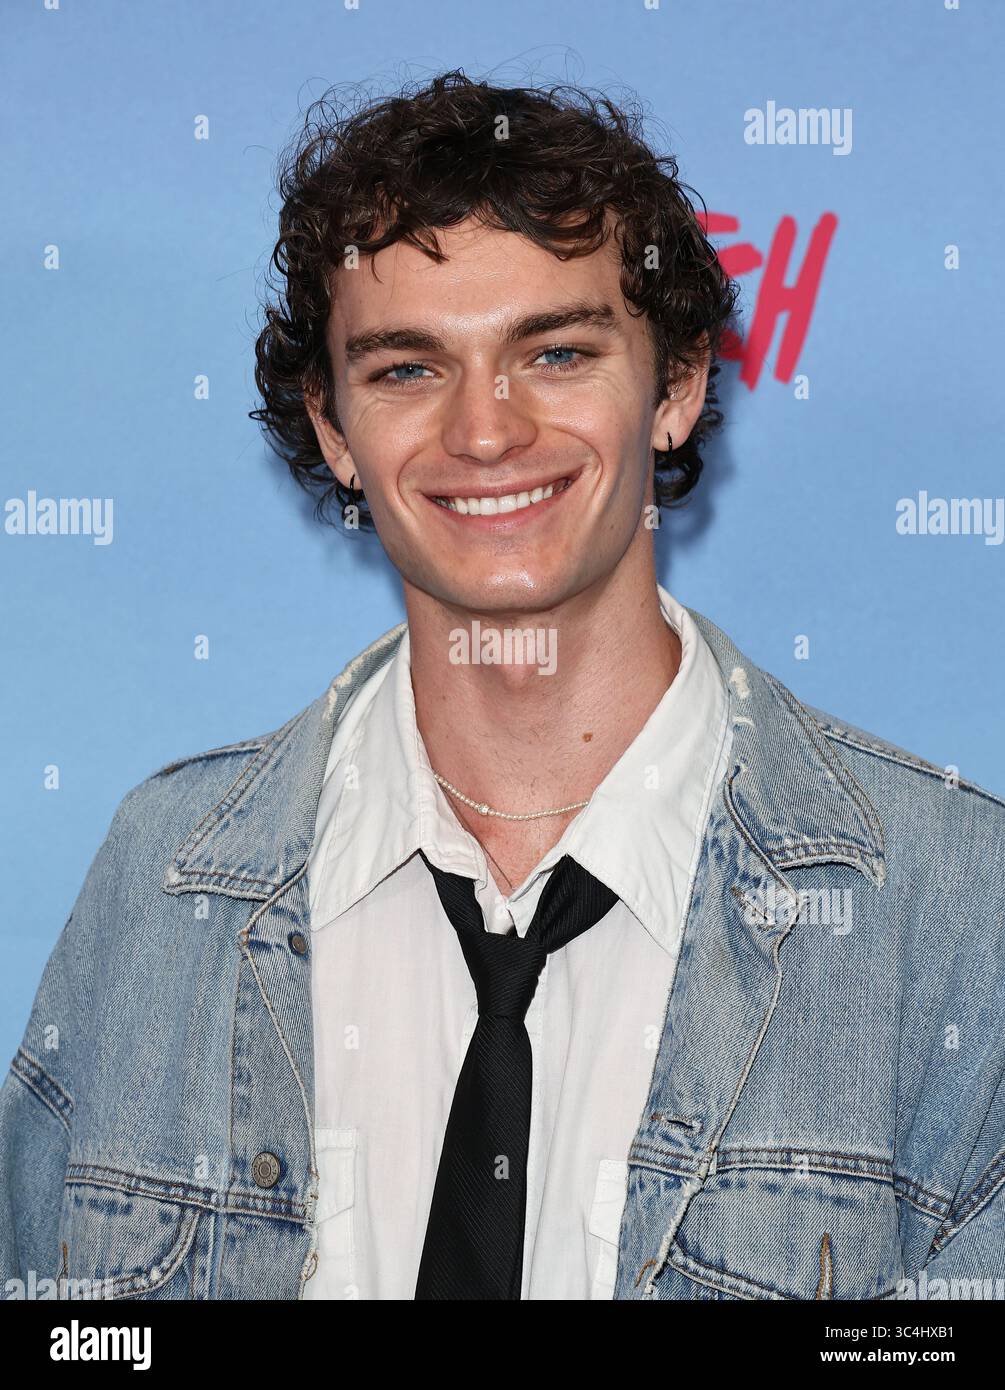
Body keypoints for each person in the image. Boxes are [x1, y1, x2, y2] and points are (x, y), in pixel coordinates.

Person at [3, 70, 1003, 1303]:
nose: (486, 431)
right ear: (331, 429)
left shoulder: (955, 911)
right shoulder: (164, 883)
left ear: (677, 386)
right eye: (408, 370)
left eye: (559, 352)